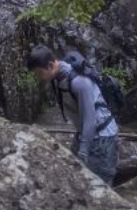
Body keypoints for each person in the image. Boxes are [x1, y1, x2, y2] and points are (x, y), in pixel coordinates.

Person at [26, 45, 120, 184]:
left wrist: (83, 150)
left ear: (51, 65)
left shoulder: (79, 82)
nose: (39, 77)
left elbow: (90, 119)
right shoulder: (59, 77)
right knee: (73, 174)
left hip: (103, 136)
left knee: (100, 182)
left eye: (39, 73)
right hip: (85, 133)